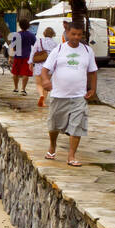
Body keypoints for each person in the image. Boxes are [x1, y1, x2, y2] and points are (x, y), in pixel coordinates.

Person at [37, 23, 98, 166]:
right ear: (67, 33)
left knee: (77, 125)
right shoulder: (58, 49)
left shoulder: (87, 51)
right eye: (73, 34)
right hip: (59, 95)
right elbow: (45, 70)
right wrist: (45, 81)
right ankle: (52, 146)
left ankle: (71, 156)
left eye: (79, 34)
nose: (76, 37)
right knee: (54, 126)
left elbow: (92, 72)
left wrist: (93, 89)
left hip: (79, 96)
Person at [9, 23, 36, 93]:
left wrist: (10, 57)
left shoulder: (16, 35)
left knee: (15, 72)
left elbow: (12, 47)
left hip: (17, 56)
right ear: (28, 26)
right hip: (27, 56)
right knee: (25, 73)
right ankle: (23, 89)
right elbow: (35, 45)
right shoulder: (31, 35)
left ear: (20, 26)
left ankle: (16, 88)